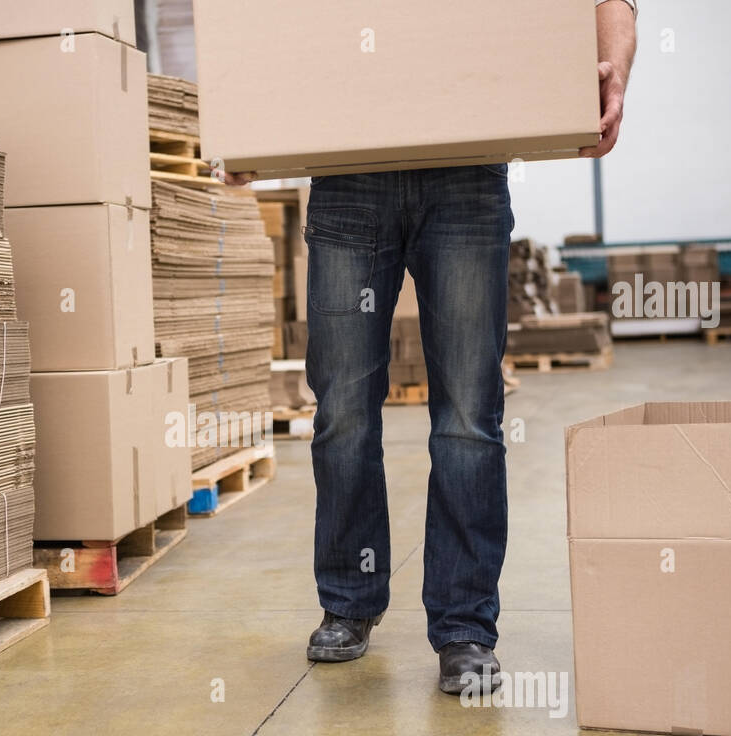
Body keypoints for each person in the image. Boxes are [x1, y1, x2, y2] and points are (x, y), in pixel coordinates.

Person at [226, 0, 638, 692]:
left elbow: (608, 1)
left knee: (469, 416)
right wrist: (248, 125)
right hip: (348, 178)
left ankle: (465, 627)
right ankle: (349, 603)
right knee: (345, 410)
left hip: (467, 177)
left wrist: (613, 70)